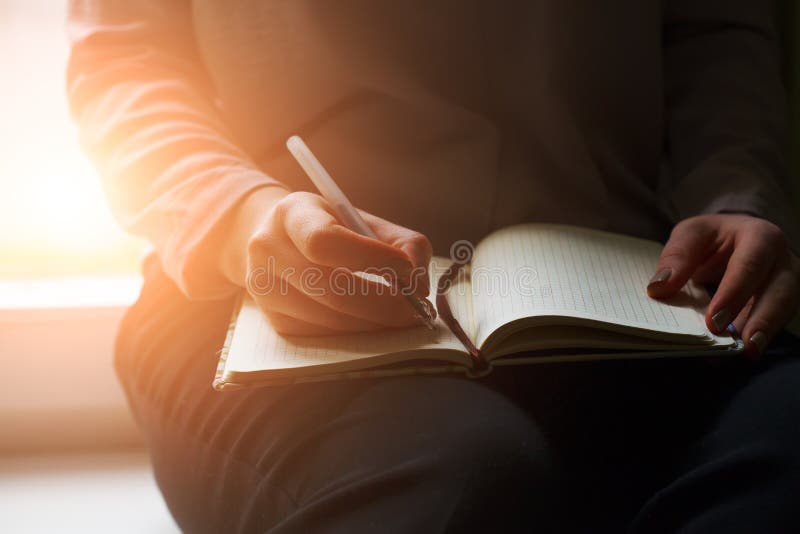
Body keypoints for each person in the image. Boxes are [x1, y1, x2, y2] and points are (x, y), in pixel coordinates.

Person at [67, 1, 800, 532]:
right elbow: (123, 60)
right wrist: (237, 213)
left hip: (639, 290)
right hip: (256, 297)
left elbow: (714, 24)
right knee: (454, 482)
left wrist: (736, 189)